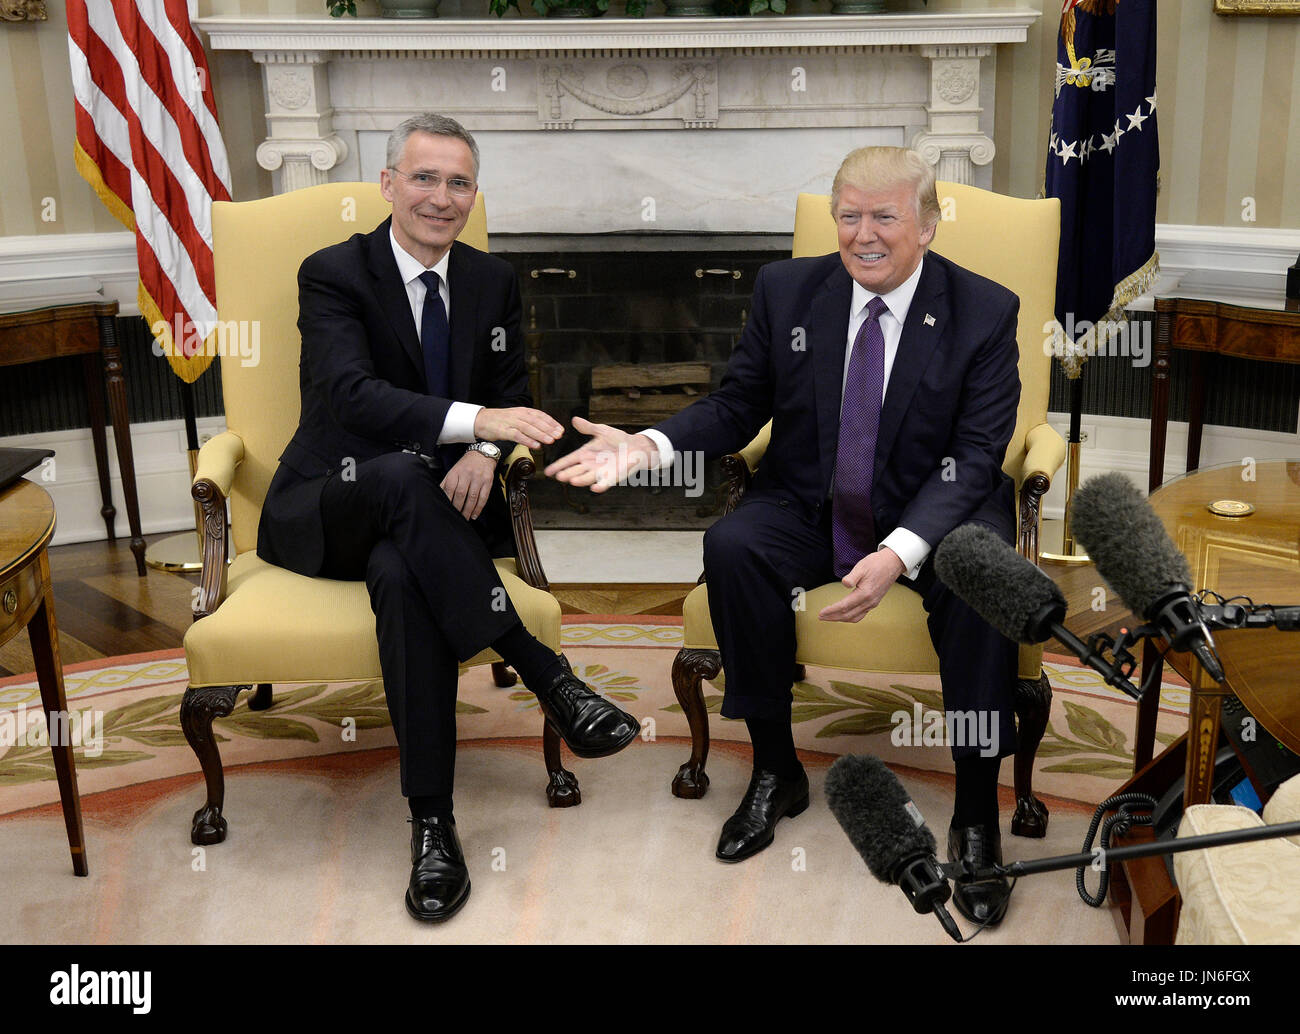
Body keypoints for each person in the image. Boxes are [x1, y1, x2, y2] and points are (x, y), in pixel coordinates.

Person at [547, 146, 1022, 926]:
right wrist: (648, 445)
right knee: (733, 548)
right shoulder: (788, 290)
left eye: (884, 217)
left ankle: (975, 814)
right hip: (813, 500)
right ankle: (776, 768)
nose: (863, 235)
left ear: (928, 226)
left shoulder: (982, 311)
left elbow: (975, 460)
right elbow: (738, 406)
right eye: (848, 216)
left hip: (939, 507)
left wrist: (899, 552)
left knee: (982, 578)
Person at [257, 113, 640, 924]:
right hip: (333, 501)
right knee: (396, 474)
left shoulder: (491, 282)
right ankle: (547, 674)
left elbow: (510, 391)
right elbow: (351, 397)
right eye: (423, 178)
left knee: (404, 574)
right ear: (388, 184)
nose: (440, 197)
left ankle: (432, 823)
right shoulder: (333, 274)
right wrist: (479, 424)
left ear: (475, 196)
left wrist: (487, 455)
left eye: (458, 182)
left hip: (437, 520)